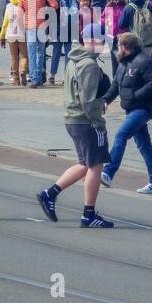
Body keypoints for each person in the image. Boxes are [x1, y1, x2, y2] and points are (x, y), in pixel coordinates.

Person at [35, 28, 116, 228]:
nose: (103, 45)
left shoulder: (73, 59)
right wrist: (99, 122)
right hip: (86, 120)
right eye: (101, 40)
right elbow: (88, 100)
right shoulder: (89, 64)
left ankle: (50, 194)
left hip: (72, 118)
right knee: (96, 166)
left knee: (85, 163)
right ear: (92, 41)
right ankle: (88, 214)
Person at [99, 32, 152, 194]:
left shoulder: (144, 62)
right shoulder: (123, 63)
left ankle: (108, 172)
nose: (117, 48)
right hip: (131, 109)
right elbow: (115, 85)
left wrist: (135, 96)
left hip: (143, 109)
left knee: (121, 135)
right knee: (144, 145)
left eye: (118, 45)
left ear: (125, 46)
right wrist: (105, 100)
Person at [19, 0, 59, 88]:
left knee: (31, 52)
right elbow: (55, 5)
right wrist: (45, 9)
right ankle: (39, 76)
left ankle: (34, 78)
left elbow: (19, 14)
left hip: (29, 27)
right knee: (40, 52)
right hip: (42, 25)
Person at [0, 0, 29, 85]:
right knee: (24, 55)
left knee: (13, 56)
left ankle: (16, 78)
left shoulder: (8, 7)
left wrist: (2, 36)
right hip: (22, 34)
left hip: (11, 34)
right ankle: (23, 71)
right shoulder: (25, 5)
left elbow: (4, 23)